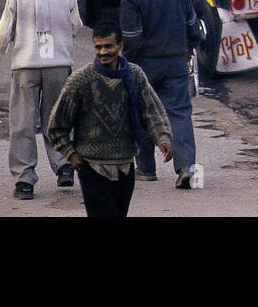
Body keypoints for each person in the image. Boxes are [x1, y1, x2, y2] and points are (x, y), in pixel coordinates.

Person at [0, 0, 84, 200]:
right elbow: (75, 27)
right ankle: (64, 167)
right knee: (57, 118)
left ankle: (24, 181)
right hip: (59, 65)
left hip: (25, 66)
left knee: (22, 123)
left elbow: (4, 31)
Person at [46, 22, 173, 218]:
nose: (103, 52)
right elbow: (56, 125)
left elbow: (151, 111)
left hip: (125, 166)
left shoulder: (134, 75)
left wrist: (163, 139)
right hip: (92, 168)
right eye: (98, 47)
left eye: (108, 46)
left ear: (120, 46)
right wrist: (70, 154)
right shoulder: (81, 80)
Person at [119, 0, 202, 189]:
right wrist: (189, 48)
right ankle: (186, 167)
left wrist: (126, 65)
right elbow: (192, 25)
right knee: (179, 113)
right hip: (176, 63)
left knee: (142, 112)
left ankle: (145, 168)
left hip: (145, 66)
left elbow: (131, 38)